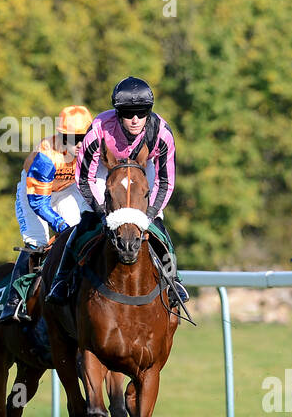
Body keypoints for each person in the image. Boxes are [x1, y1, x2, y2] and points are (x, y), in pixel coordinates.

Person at [45, 77, 187, 308]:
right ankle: (62, 278)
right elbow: (85, 177)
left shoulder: (162, 133)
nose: (135, 119)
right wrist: (102, 211)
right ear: (117, 112)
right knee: (86, 222)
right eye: (128, 113)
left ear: (148, 112)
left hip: (144, 167)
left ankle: (173, 279)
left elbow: (165, 181)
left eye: (141, 113)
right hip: (104, 167)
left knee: (158, 224)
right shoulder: (99, 129)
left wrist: (149, 213)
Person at [0, 105, 92, 323]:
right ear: (62, 135)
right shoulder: (46, 156)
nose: (79, 145)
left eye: (83, 137)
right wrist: (58, 224)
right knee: (37, 240)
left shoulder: (93, 148)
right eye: (72, 138)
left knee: (80, 231)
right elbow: (38, 202)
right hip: (35, 193)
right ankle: (14, 301)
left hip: (66, 188)